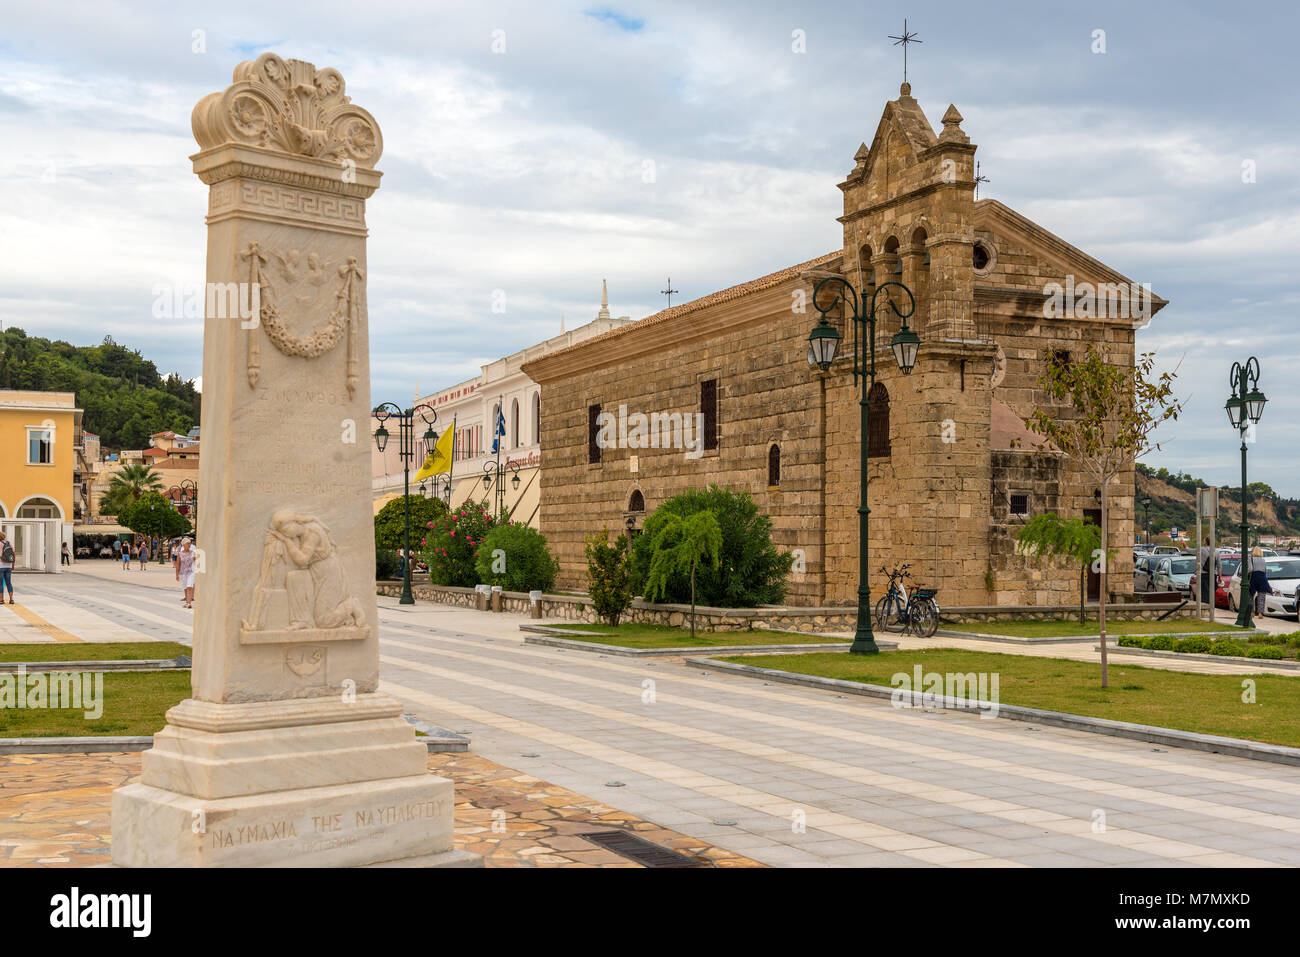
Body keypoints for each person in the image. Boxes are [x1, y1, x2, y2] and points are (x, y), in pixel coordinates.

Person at [1249, 546, 1273, 617]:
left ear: (1253, 552)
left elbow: (1250, 569)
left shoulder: (1251, 559)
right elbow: (1265, 571)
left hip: (1254, 577)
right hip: (1262, 578)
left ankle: (1252, 612)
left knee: (1251, 595)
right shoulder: (1263, 560)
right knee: (1261, 596)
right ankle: (1260, 613)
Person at [174, 537, 196, 609]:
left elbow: (198, 561)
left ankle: (189, 603)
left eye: (190, 543)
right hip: (183, 573)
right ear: (183, 545)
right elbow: (178, 564)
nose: (189, 545)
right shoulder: (180, 554)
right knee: (185, 588)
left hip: (191, 572)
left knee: (189, 586)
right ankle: (187, 602)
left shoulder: (192, 553)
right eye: (187, 543)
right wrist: (177, 575)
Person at [1197, 536, 1219, 605]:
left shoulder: (1201, 550)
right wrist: (1220, 577)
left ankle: (1206, 607)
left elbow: (1191, 551)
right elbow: (1219, 565)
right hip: (1213, 574)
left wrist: (1185, 546)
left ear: (1206, 542)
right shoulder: (1216, 551)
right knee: (1212, 591)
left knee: (1204, 592)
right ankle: (1212, 606)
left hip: (1204, 574)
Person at [0, 532, 14, 604]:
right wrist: (12, 565)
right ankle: (11, 600)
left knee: (0, 583)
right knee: (9, 583)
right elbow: (13, 554)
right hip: (9, 565)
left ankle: (1, 600)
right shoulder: (9, 543)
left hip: (1, 565)